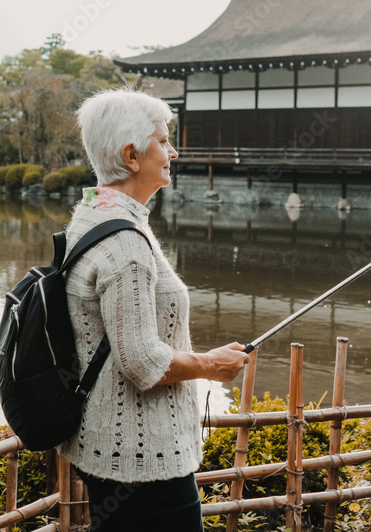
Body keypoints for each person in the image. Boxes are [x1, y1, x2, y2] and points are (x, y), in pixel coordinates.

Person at [59, 88, 249, 531]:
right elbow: (142, 362)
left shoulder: (90, 216)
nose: (173, 152)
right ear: (131, 155)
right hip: (141, 459)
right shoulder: (126, 245)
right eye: (163, 142)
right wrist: (211, 364)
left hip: (105, 443)